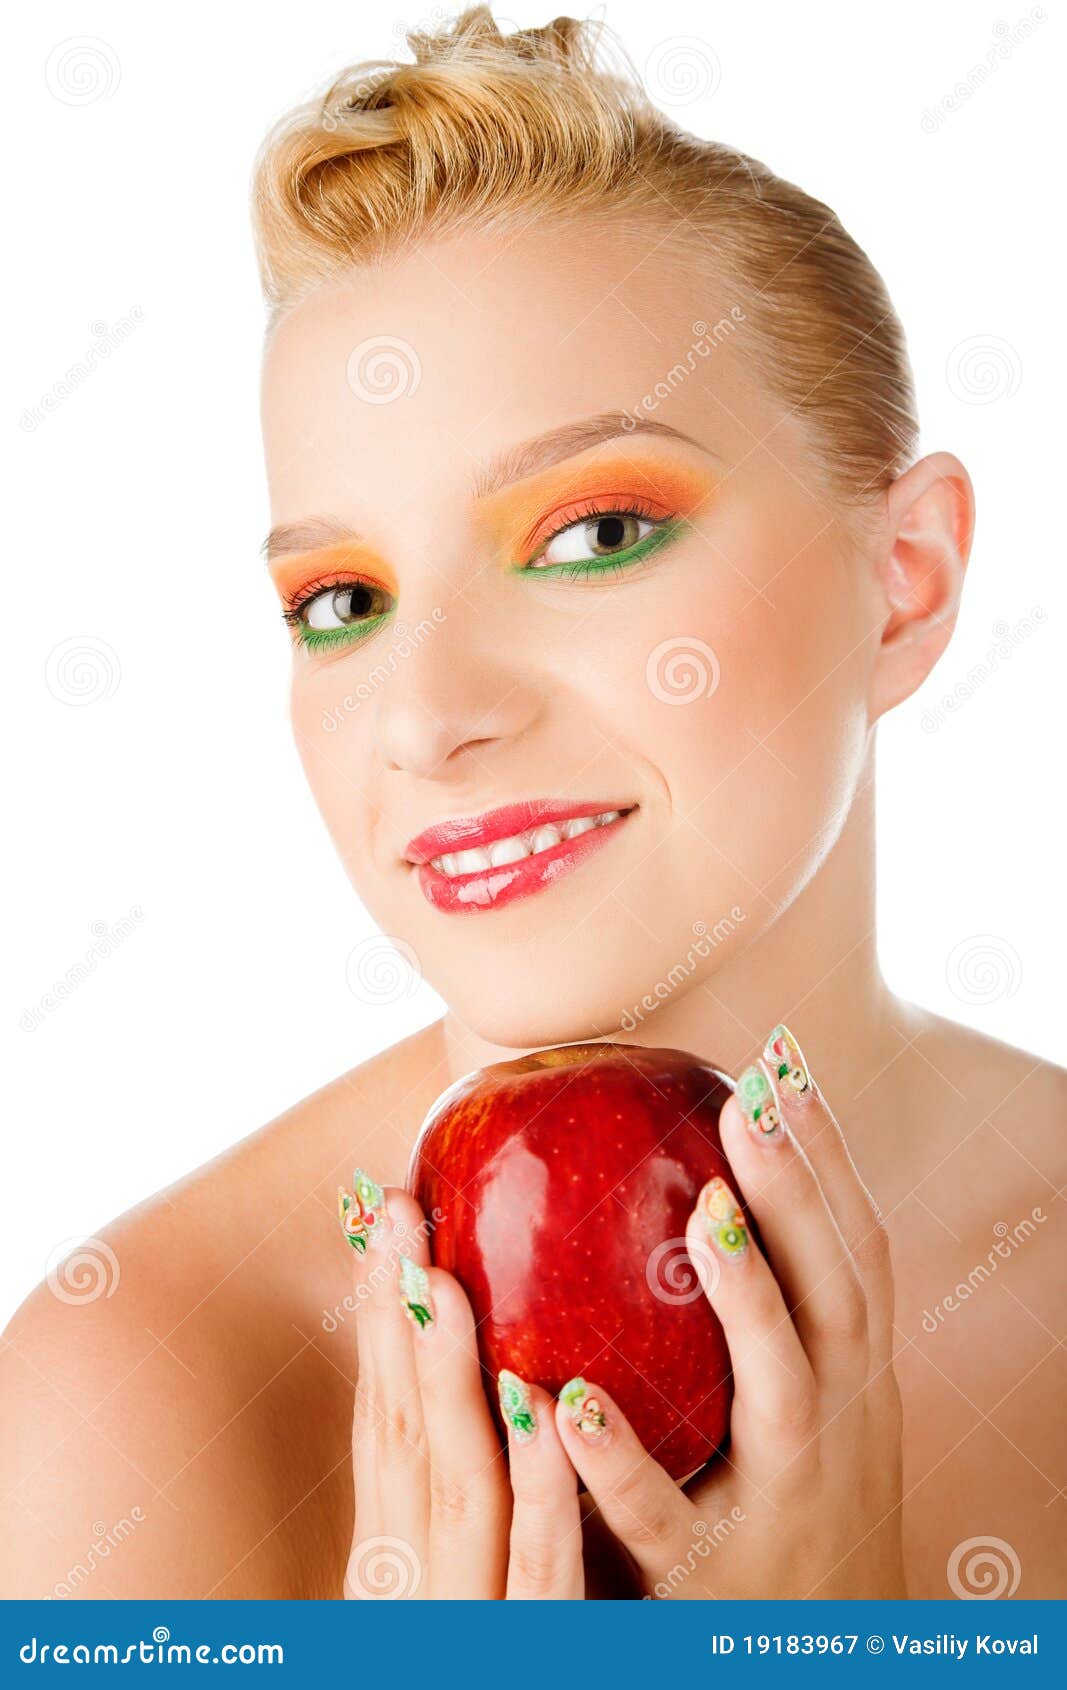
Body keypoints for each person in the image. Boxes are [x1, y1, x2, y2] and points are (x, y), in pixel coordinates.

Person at [2, 7, 1063, 1601]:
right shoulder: (148, 1383)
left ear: (903, 585)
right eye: (343, 598)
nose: (426, 717)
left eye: (592, 535)